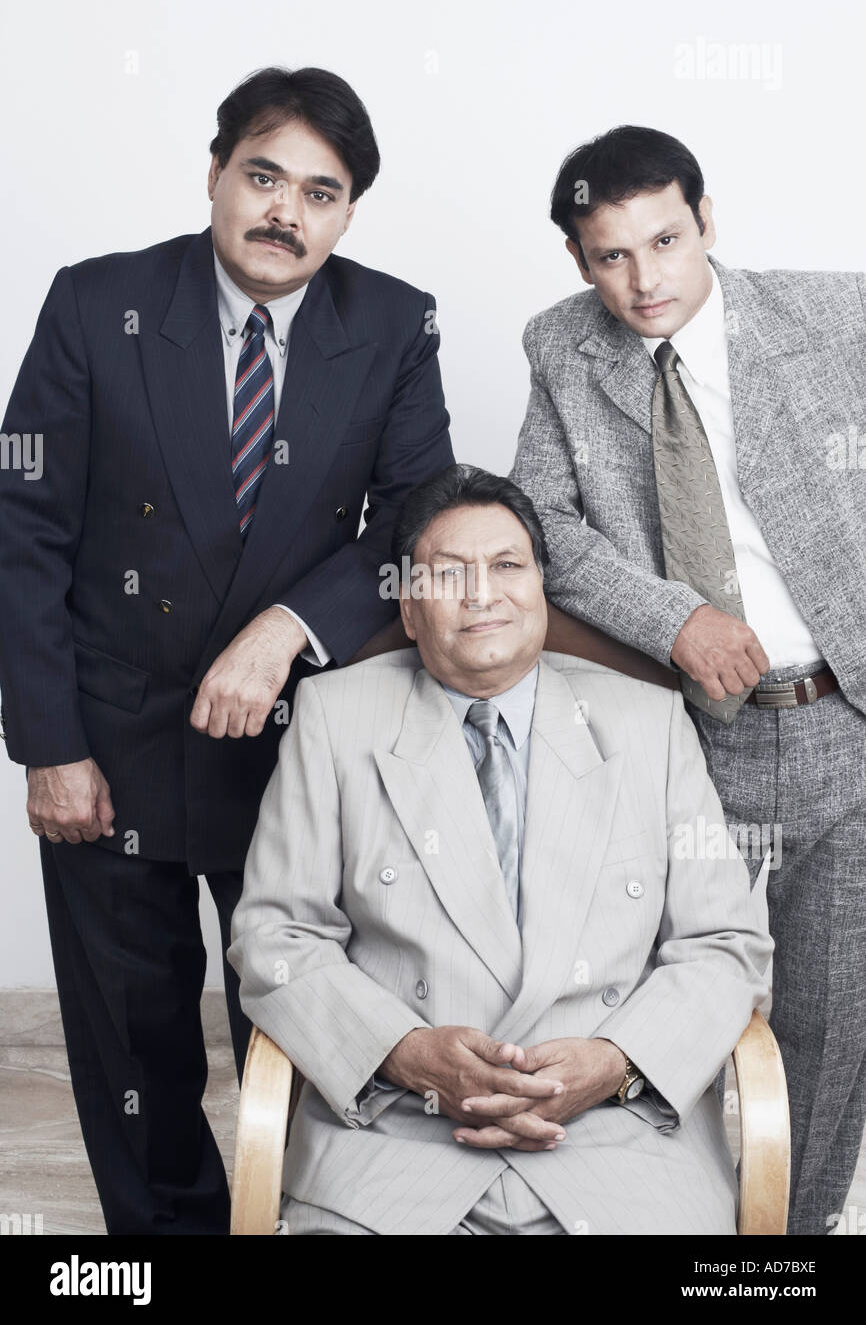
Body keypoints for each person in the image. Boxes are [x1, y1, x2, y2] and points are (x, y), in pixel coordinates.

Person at [0, 65, 453, 1234]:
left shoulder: (393, 321)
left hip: (299, 751)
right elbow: (24, 528)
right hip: (108, 744)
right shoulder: (97, 304)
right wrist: (49, 742)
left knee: (300, 1023)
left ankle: (304, 1219)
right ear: (214, 175)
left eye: (320, 191)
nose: (283, 213)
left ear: (347, 213)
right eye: (262, 176)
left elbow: (414, 518)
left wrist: (284, 627)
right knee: (136, 1040)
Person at [228, 464, 771, 1235]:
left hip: (618, 1146)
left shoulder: (649, 723)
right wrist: (408, 1054)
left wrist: (617, 1062)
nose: (482, 593)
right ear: (411, 612)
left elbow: (727, 942)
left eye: (508, 567)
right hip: (395, 1142)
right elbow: (275, 936)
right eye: (448, 575)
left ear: (541, 589)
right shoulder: (334, 719)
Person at [509, 124, 866, 1235]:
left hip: (841, 722)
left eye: (664, 240)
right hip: (681, 735)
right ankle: (638, 1219)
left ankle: (785, 1245)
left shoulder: (834, 317)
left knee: (827, 1022)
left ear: (706, 221)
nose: (643, 278)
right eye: (609, 254)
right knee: (636, 997)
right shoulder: (563, 348)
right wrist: (677, 619)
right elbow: (542, 531)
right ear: (578, 262)